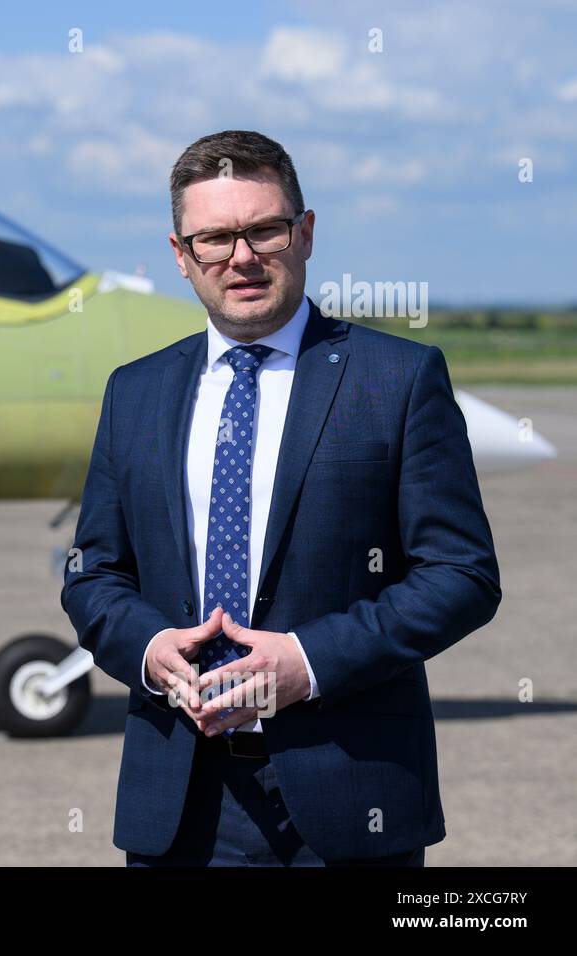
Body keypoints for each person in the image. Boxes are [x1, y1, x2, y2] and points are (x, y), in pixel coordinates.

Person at [61, 129, 500, 866]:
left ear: (305, 234)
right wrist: (148, 648)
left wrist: (308, 661)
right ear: (180, 254)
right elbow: (94, 574)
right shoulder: (134, 392)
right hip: (179, 805)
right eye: (214, 238)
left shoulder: (396, 379)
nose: (241, 256)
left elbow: (462, 575)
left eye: (264, 229)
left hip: (349, 798)